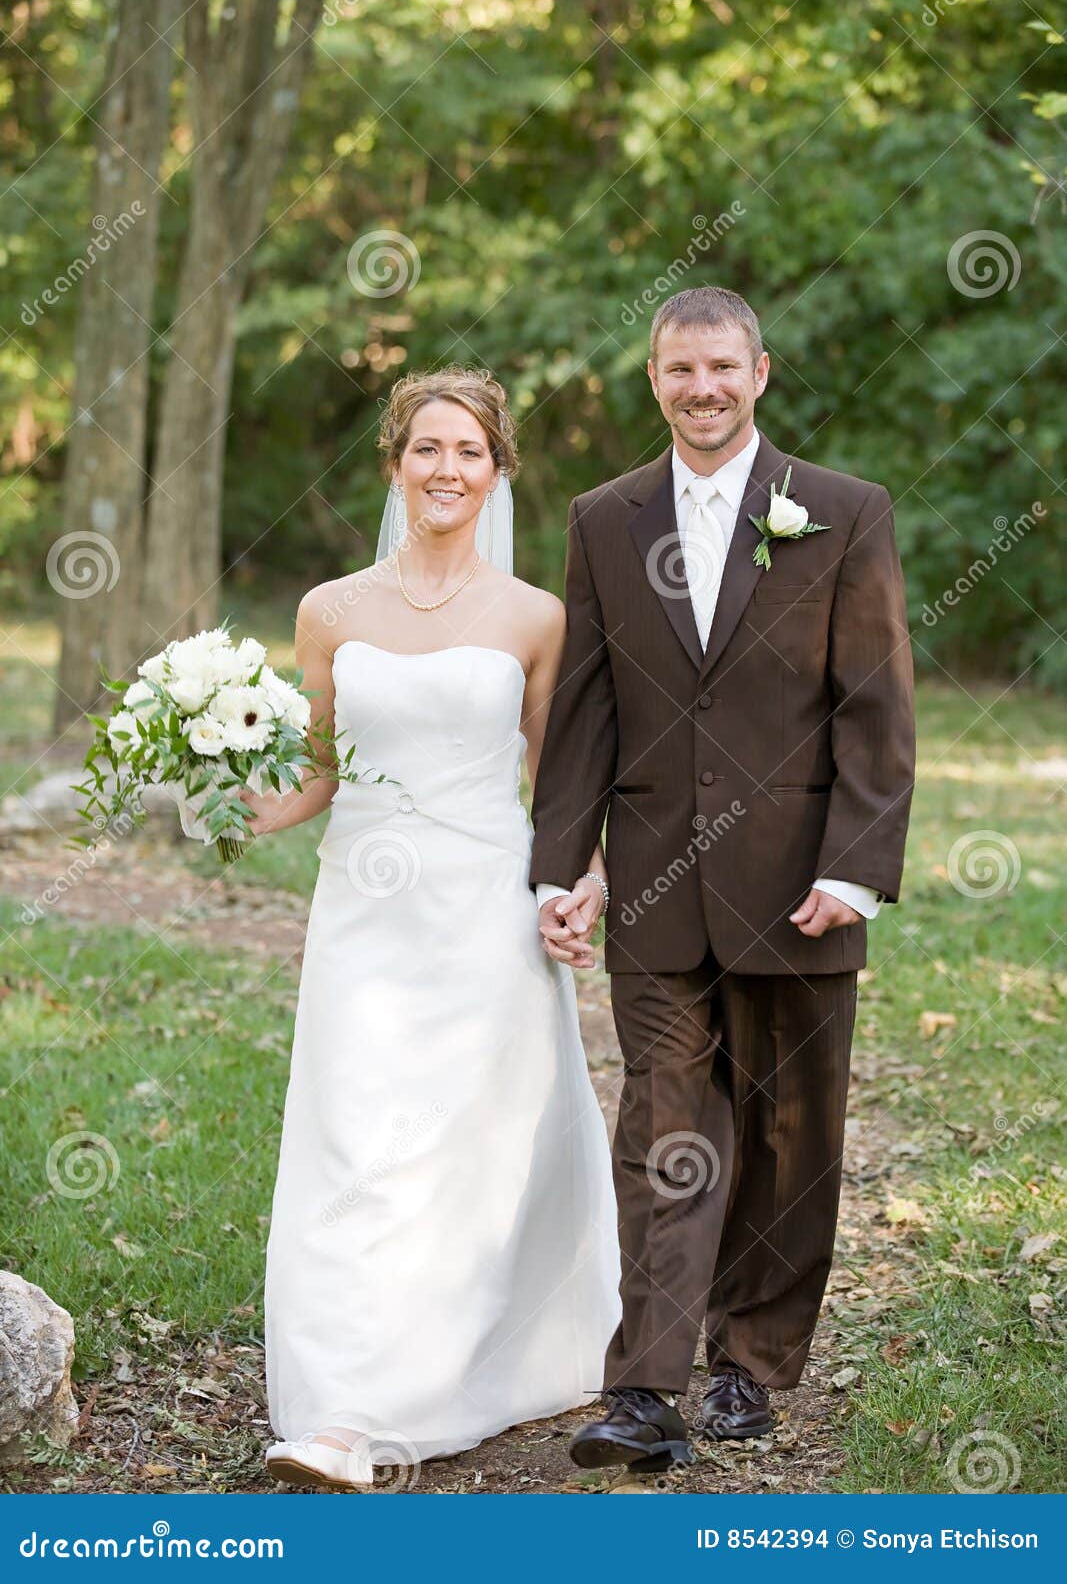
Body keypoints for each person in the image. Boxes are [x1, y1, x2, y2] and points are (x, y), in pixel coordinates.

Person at [531, 285, 915, 1472]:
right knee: (662, 1127)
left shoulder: (842, 512)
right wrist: (559, 866)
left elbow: (874, 707)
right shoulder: (603, 518)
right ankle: (643, 1386)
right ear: (653, 380)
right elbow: (586, 709)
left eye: (719, 368)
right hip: (654, 888)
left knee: (789, 1136)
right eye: (675, 371)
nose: (698, 389)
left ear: (759, 373)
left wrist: (853, 870)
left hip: (799, 882)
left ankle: (748, 1363)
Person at [243, 366, 620, 1489]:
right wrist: (220, 796)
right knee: (358, 1140)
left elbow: (558, 785)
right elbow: (314, 771)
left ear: (497, 470)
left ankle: (374, 1415)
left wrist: (579, 885)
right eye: (426, 449)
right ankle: (341, 1392)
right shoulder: (329, 611)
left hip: (482, 910)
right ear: (394, 464)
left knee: (461, 1149)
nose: (446, 469)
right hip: (363, 906)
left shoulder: (535, 617)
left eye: (469, 451)